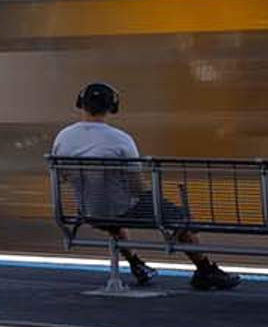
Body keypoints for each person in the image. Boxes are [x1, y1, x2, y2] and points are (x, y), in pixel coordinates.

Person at [49, 81, 241, 291]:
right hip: (119, 210)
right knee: (177, 216)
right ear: (112, 107)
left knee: (113, 211)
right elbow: (137, 187)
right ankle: (205, 270)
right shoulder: (121, 140)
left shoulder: (64, 137)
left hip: (87, 209)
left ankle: (136, 264)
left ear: (81, 104)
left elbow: (63, 177)